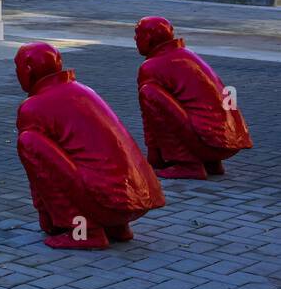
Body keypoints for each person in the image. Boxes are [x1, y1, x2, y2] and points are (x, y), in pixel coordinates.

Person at [15, 43, 164, 250]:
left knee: (28, 142)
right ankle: (117, 228)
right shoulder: (83, 90)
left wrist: (48, 218)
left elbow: (41, 170)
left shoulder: (33, 107)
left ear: (29, 70)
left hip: (105, 201)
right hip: (134, 199)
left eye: (18, 68)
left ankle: (84, 231)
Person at [135, 16, 252, 179]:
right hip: (227, 143)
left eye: (138, 34)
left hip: (207, 142)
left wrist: (154, 157)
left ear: (149, 38)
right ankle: (212, 163)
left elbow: (150, 116)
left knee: (149, 93)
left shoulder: (151, 66)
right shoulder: (186, 55)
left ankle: (188, 164)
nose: (135, 39)